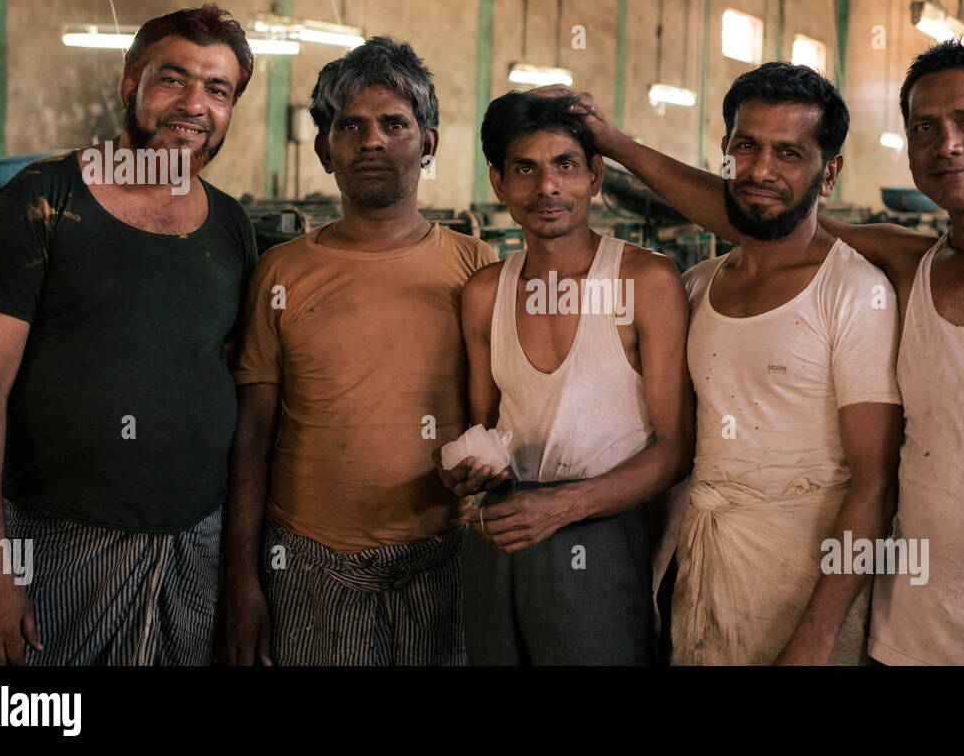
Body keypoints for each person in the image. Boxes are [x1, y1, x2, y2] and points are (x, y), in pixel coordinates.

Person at [557, 36, 964, 665]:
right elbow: (763, 214)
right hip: (906, 635)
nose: (949, 145)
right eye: (925, 127)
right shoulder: (911, 265)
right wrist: (615, 145)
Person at [540, 63, 904, 666]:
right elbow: (685, 448)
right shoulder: (695, 287)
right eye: (746, 146)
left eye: (789, 153)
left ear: (829, 172)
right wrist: (657, 571)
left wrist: (816, 638)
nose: (761, 170)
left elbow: (875, 482)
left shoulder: (853, 293)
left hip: (810, 584)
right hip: (706, 577)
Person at [0, 4, 257, 665]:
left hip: (193, 541)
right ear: (130, 85)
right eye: (172, 79)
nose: (193, 104)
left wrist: (240, 566)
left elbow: (232, 382)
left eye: (217, 89)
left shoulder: (231, 226)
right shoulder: (44, 200)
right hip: (58, 540)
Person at [223, 36, 496, 666]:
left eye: (394, 124)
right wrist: (243, 583)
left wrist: (488, 467)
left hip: (445, 554)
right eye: (351, 125)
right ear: (324, 149)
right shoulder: (279, 272)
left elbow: (507, 414)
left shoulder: (478, 267)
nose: (372, 140)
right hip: (309, 559)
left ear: (427, 142)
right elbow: (250, 437)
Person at [439, 91, 693, 665]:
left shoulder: (646, 282)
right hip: (502, 528)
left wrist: (564, 506)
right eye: (525, 168)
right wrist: (463, 469)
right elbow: (481, 429)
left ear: (596, 175)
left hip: (602, 529)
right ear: (499, 183)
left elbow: (677, 449)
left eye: (566, 165)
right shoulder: (485, 293)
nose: (547, 187)